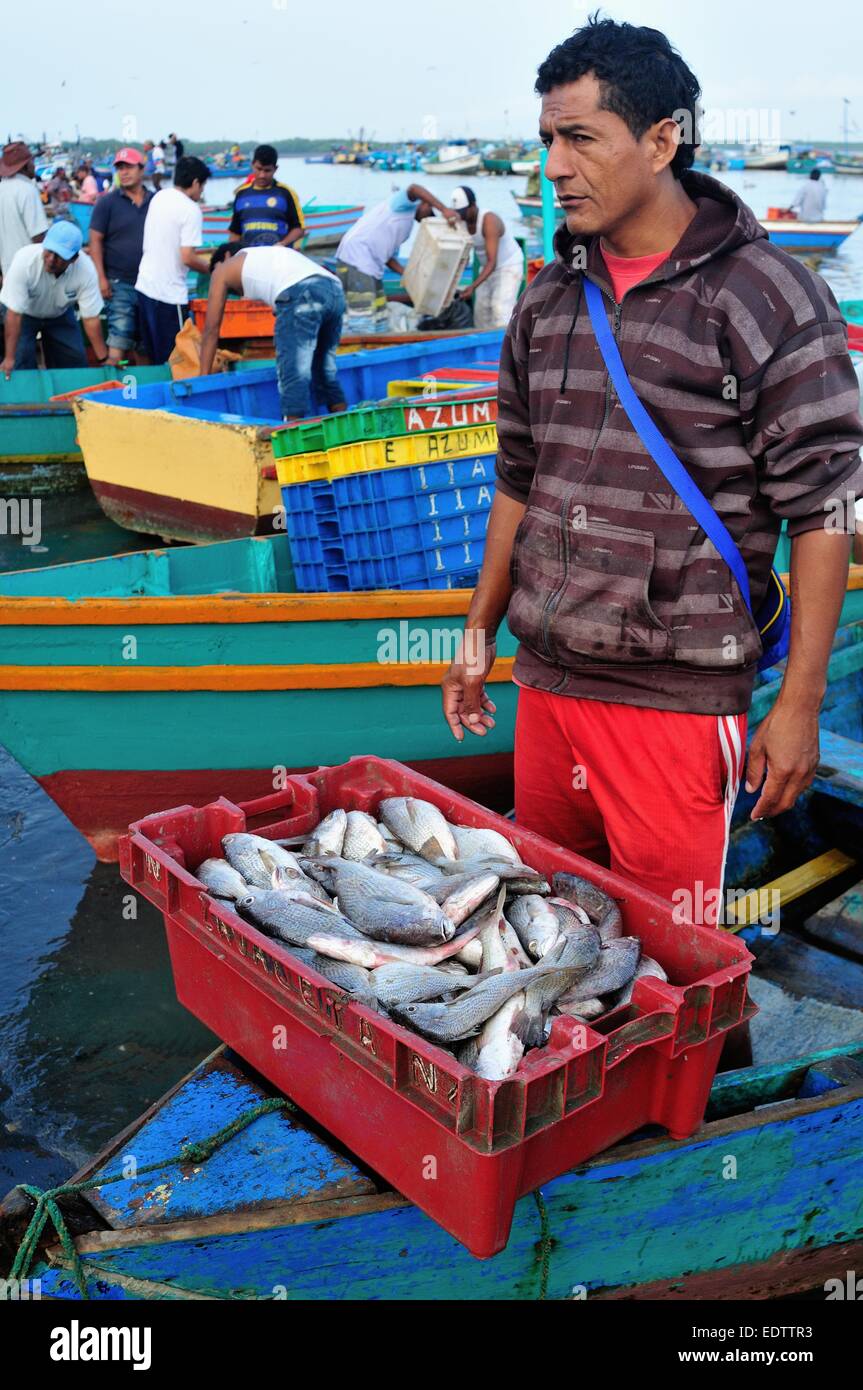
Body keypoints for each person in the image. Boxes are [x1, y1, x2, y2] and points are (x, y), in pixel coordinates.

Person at [442, 18, 863, 946]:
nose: (553, 165)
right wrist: (478, 626)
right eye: (546, 138)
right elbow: (519, 475)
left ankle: (690, 1085)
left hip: (675, 698)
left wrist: (794, 709)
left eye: (580, 137)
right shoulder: (548, 298)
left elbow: (828, 507)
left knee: (671, 952)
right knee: (549, 931)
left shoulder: (764, 297)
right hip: (548, 684)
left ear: (662, 139)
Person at [200, 241, 346, 421]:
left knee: (292, 369)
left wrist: (201, 383)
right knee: (323, 369)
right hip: (335, 290)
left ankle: (292, 434)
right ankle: (344, 423)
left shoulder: (221, 270)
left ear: (226, 257)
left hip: (302, 291)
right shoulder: (265, 256)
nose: (233, 293)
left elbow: (210, 330)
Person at [334, 184, 459, 327]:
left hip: (370, 267)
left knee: (380, 316)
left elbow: (388, 258)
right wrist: (444, 209)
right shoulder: (401, 204)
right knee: (363, 319)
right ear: (424, 203)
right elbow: (414, 188)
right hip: (356, 260)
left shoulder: (406, 225)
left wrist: (407, 275)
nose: (428, 216)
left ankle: (376, 342)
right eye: (429, 210)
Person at [0, 220, 107, 374]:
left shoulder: (86, 269)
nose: (51, 259)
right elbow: (14, 314)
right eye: (49, 251)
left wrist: (103, 359)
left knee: (74, 362)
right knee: (20, 362)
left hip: (60, 314)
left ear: (74, 258)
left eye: (59, 256)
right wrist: (10, 358)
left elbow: (90, 319)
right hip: (23, 315)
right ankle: (26, 397)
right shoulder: (24, 261)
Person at [134, 155, 210, 364]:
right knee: (177, 359)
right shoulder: (191, 210)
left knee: (154, 356)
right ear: (195, 183)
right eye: (202, 186)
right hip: (169, 296)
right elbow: (187, 257)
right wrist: (212, 268)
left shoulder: (159, 197)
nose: (202, 191)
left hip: (144, 287)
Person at [88, 147, 153, 365]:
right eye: (120, 168)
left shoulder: (155, 201)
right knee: (118, 342)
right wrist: (101, 278)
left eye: (129, 167)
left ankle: (145, 392)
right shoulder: (107, 203)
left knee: (145, 345)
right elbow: (95, 240)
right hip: (119, 282)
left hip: (150, 283)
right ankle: (111, 392)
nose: (124, 172)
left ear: (141, 169)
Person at [450, 185, 524, 329]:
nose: (461, 216)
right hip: (487, 268)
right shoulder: (461, 222)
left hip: (508, 266)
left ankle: (506, 348)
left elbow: (492, 262)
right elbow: (463, 258)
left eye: (463, 212)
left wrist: (472, 287)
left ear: (473, 206)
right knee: (481, 313)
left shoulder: (489, 221)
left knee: (500, 310)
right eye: (458, 213)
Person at [227, 145, 304, 248]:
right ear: (252, 165)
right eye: (258, 169)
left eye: (267, 171)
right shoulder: (241, 194)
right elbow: (235, 232)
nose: (262, 175)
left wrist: (283, 243)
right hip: (249, 258)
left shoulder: (286, 193)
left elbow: (299, 229)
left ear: (275, 169)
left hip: (278, 258)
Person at [0, 140, 48, 279]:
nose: (34, 165)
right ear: (26, 165)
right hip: (30, 271)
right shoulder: (27, 190)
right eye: (32, 162)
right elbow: (39, 237)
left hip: (7, 271)